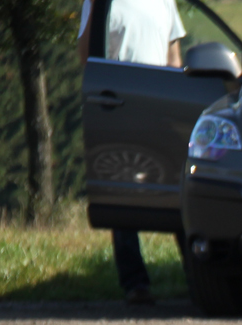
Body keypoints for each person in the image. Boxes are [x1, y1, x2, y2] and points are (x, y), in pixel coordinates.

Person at [78, 0, 187, 305]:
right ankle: (135, 283)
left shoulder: (165, 2)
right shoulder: (99, 3)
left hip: (159, 106)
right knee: (123, 195)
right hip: (120, 105)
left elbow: (172, 56)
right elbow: (87, 58)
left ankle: (195, 274)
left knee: (177, 191)